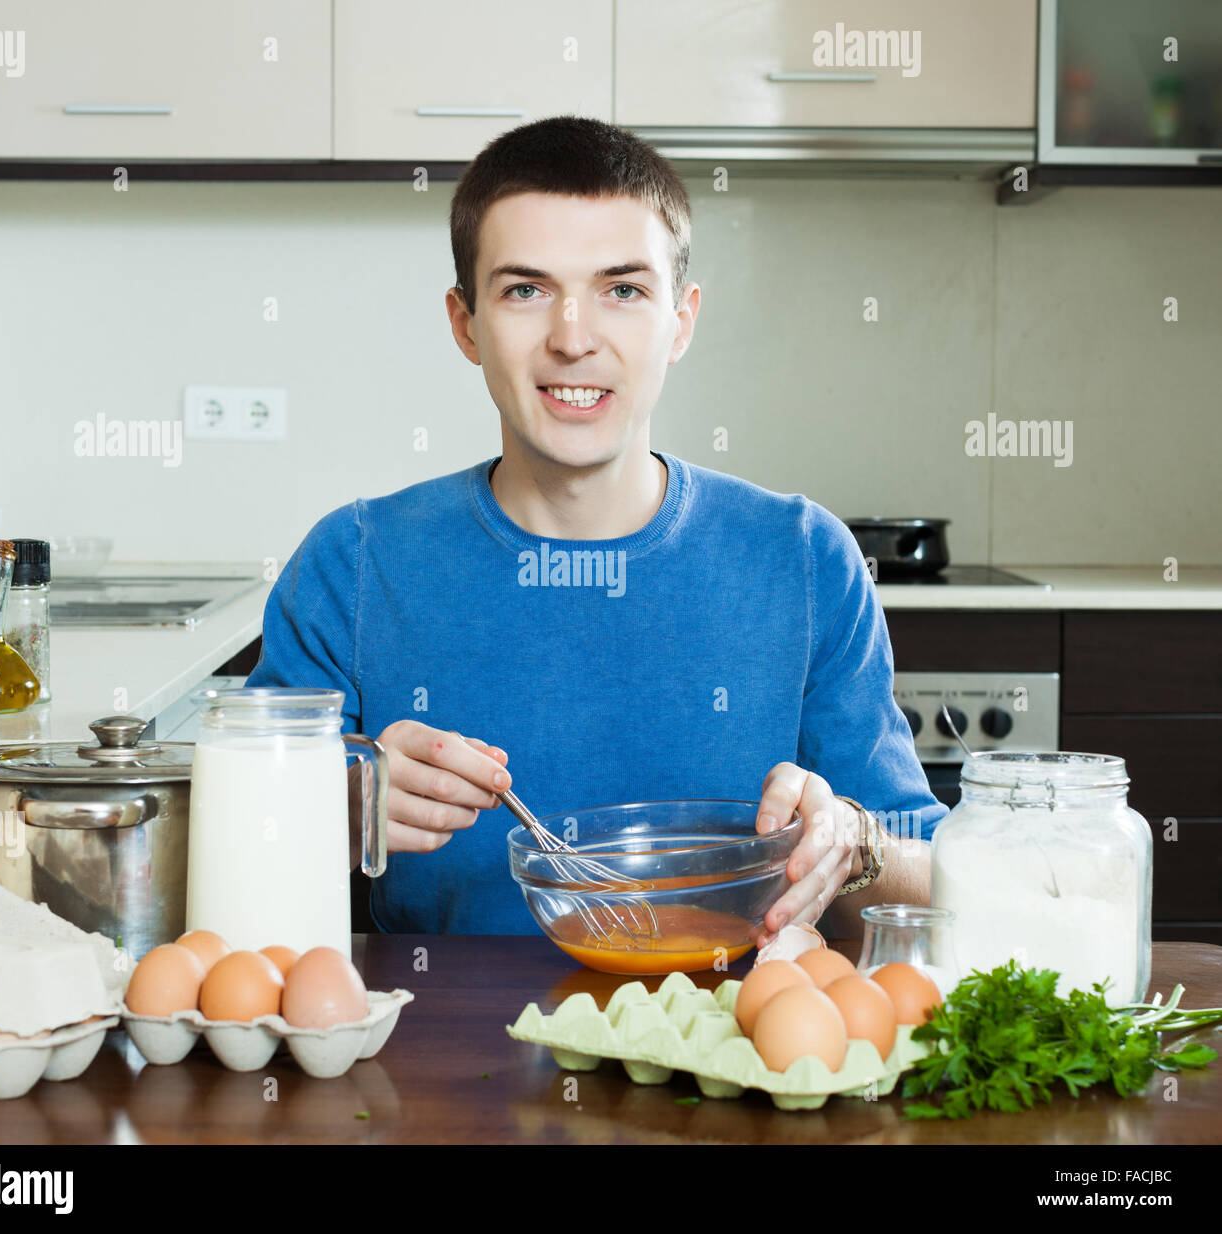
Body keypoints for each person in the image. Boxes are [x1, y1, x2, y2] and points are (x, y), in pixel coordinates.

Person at [245, 114, 947, 946]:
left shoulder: (804, 559)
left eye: (622, 290)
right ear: (466, 323)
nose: (573, 339)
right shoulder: (354, 565)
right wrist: (338, 800)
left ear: (680, 320)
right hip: (434, 1061)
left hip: (731, 1054)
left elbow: (930, 878)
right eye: (525, 290)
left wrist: (856, 847)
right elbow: (237, 848)